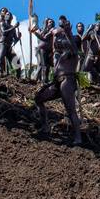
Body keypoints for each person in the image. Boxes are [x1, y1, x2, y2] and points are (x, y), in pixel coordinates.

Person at [33, 16, 82, 145]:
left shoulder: (72, 51)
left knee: (70, 110)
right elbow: (46, 41)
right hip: (56, 82)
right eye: (58, 37)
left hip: (67, 81)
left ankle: (78, 137)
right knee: (38, 98)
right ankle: (45, 127)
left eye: (62, 37)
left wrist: (68, 32)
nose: (59, 39)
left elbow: (74, 47)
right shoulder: (57, 55)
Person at [29, 16, 55, 85]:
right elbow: (42, 37)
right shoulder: (42, 30)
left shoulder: (53, 30)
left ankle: (44, 80)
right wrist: (35, 32)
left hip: (49, 50)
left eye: (52, 22)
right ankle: (35, 80)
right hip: (41, 50)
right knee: (41, 65)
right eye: (49, 22)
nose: (50, 23)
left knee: (47, 65)